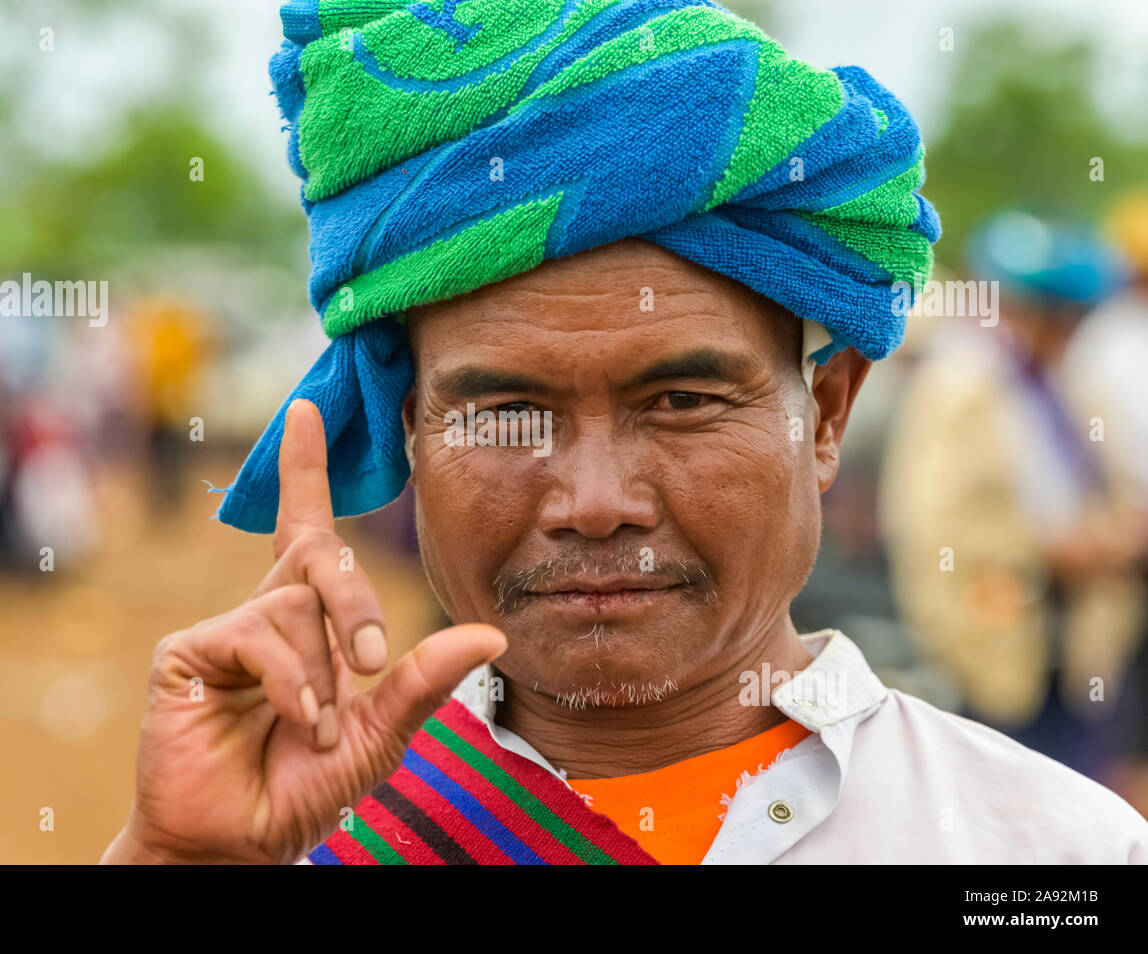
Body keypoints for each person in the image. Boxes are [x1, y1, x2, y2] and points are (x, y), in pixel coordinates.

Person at [103, 0, 1146, 864]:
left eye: (683, 402)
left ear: (824, 416)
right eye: (506, 412)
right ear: (409, 428)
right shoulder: (298, 838)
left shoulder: (1044, 853)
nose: (596, 502)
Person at [881, 212, 1148, 788]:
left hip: (1075, 646)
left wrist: (1115, 534)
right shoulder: (958, 385)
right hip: (996, 643)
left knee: (1074, 798)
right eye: (1051, 315)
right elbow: (930, 525)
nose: (1063, 330)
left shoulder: (1070, 383)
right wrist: (1050, 550)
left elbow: (1111, 482)